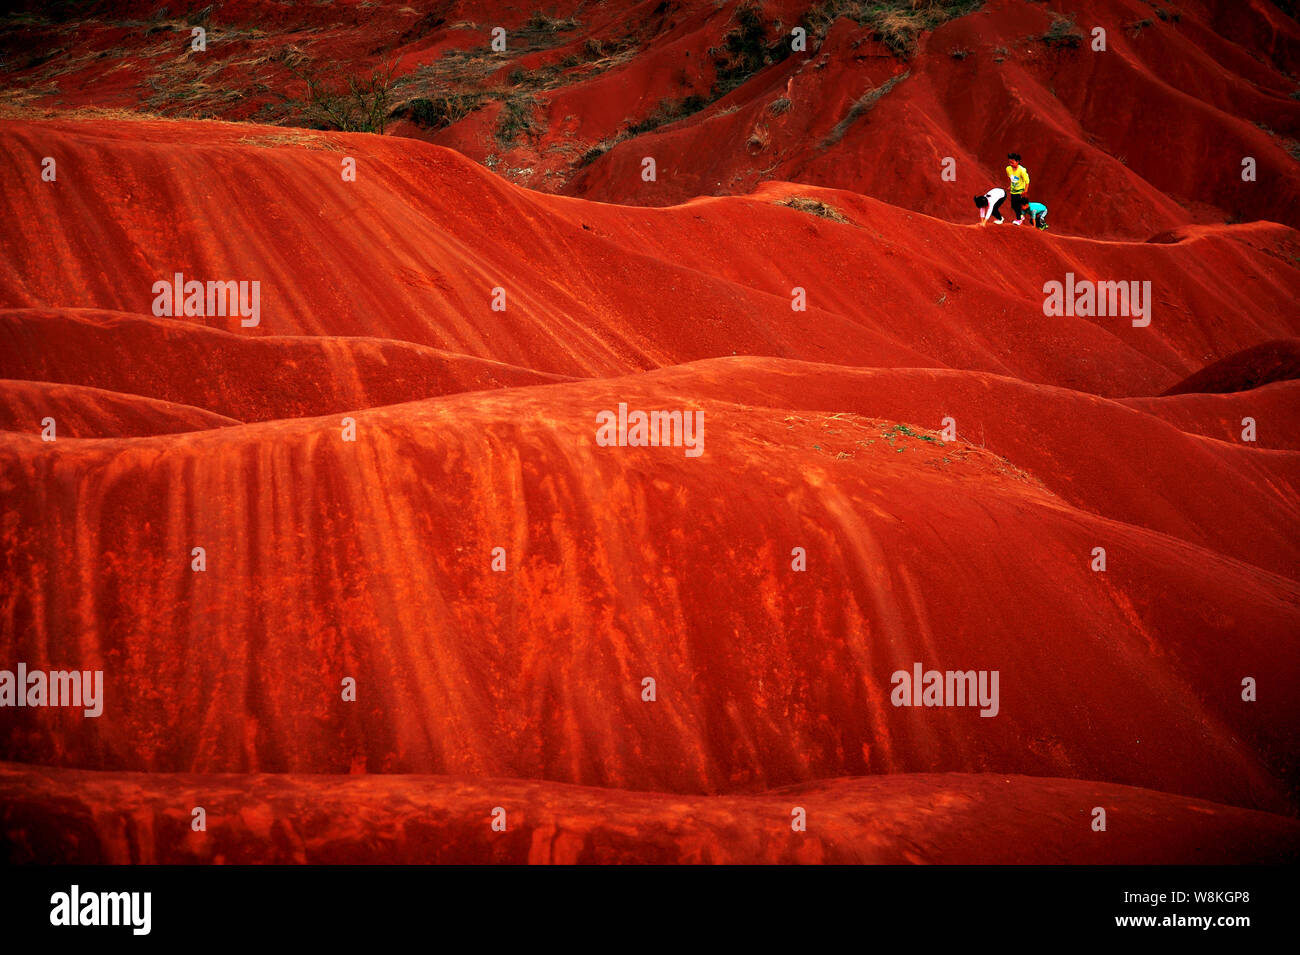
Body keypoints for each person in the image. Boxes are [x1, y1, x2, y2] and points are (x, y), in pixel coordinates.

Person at [1006, 152, 1030, 224]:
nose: (1011, 164)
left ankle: (1019, 219)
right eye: (1010, 162)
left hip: (1020, 190)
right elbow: (1009, 177)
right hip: (1013, 190)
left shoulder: (1022, 170)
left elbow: (1027, 180)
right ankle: (1021, 216)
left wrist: (1026, 190)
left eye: (1012, 162)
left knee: (1017, 204)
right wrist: (1010, 185)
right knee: (1013, 206)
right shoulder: (1008, 169)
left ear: (1017, 162)